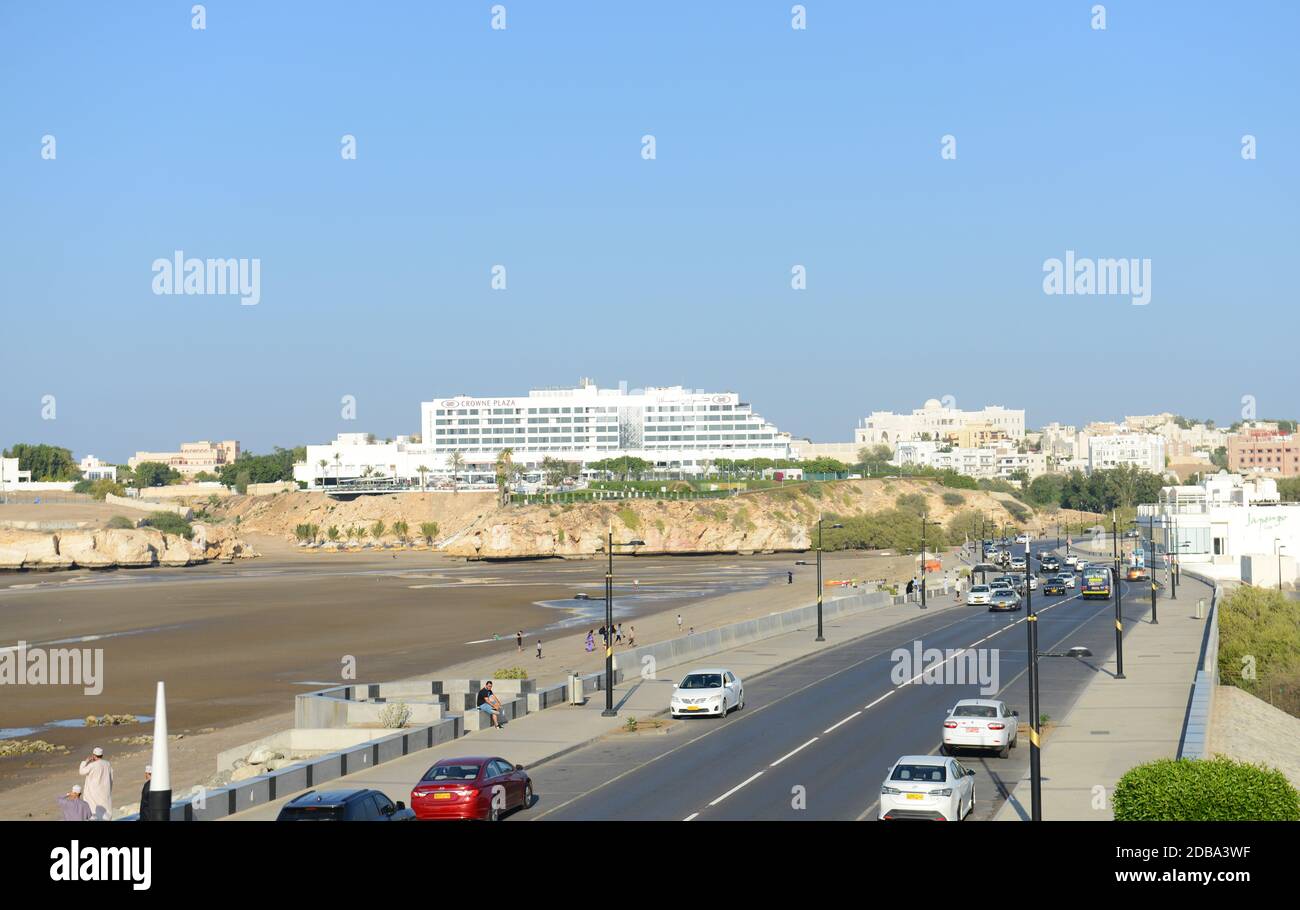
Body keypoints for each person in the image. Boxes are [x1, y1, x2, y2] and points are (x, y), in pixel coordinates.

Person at [78, 747, 113, 821]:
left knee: (94, 808)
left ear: (94, 755)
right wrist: (110, 788)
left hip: (93, 791)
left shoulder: (92, 765)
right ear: (102, 755)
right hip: (105, 790)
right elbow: (111, 777)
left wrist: (86, 761)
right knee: (106, 808)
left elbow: (81, 771)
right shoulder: (107, 764)